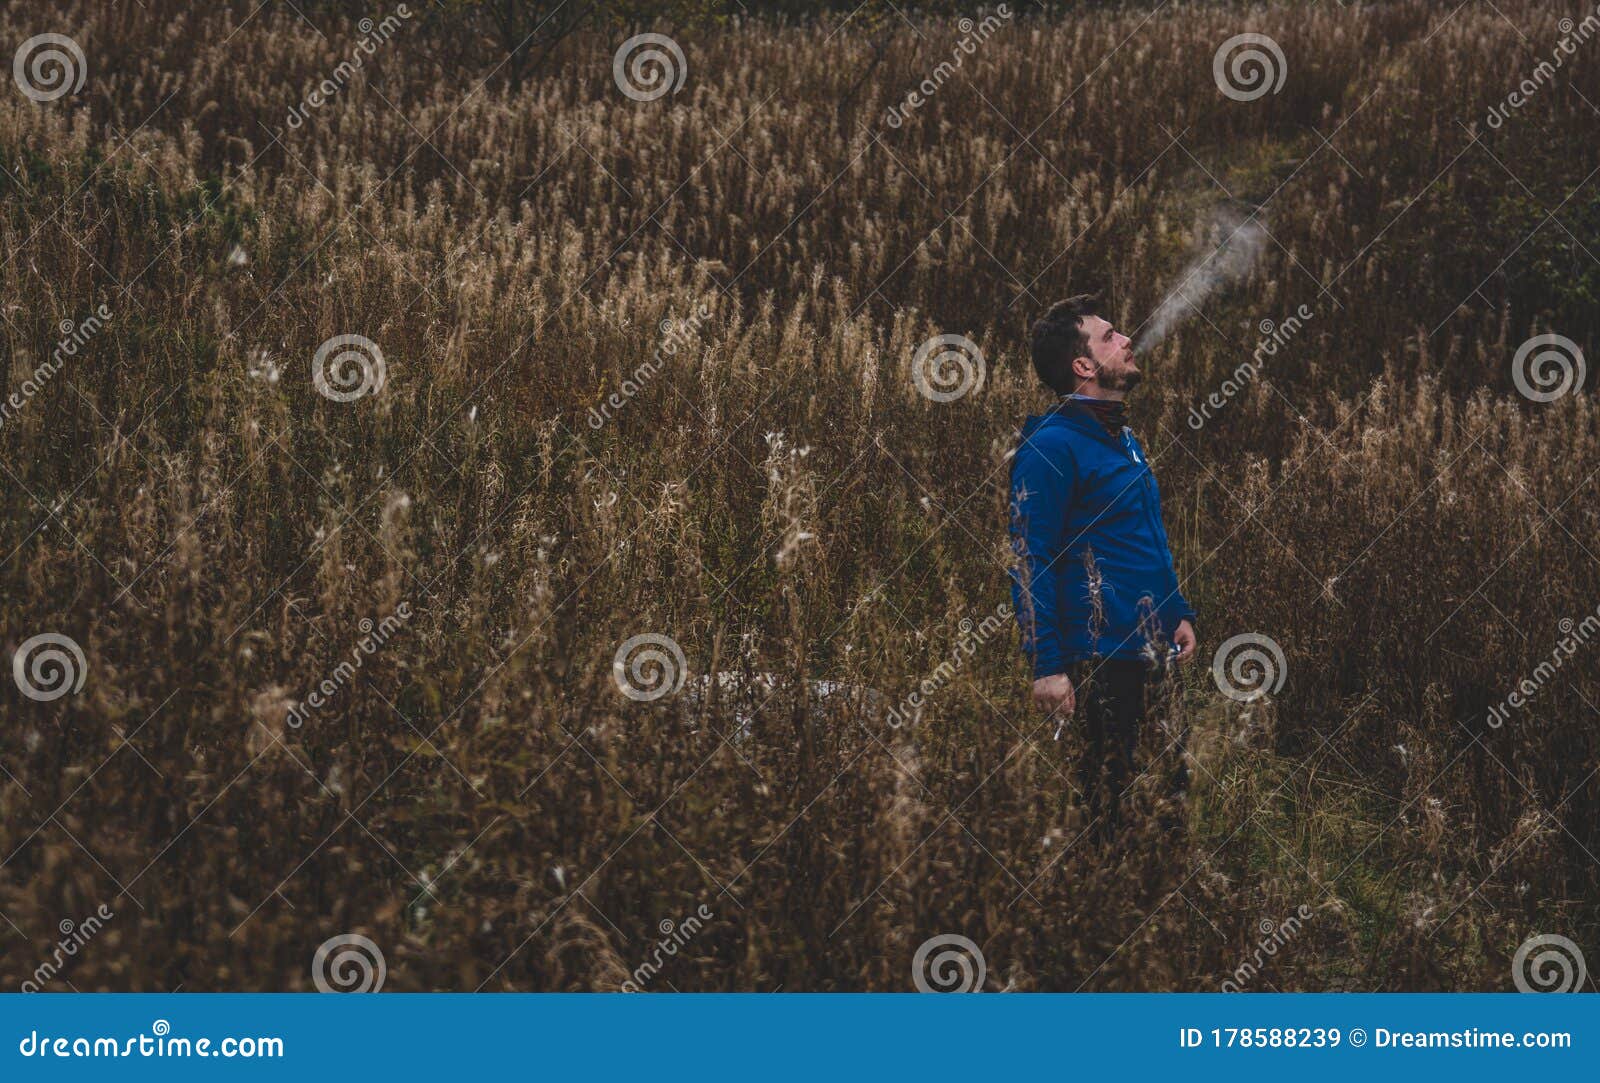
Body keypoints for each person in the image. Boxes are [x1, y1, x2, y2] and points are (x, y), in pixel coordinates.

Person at [1008, 294, 1197, 836]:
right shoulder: (1051, 447)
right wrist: (1046, 666)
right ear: (1083, 365)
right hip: (1099, 656)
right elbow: (1028, 558)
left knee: (1169, 796)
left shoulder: (1122, 438)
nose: (1127, 340)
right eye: (1111, 335)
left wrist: (1175, 610)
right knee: (1109, 806)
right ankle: (1107, 907)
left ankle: (1164, 903)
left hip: (1154, 647)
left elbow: (1145, 537)